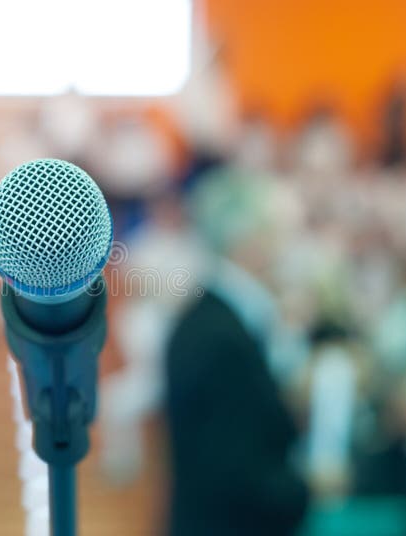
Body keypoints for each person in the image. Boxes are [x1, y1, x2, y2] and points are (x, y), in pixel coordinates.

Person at [164, 168, 309, 536]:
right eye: (273, 233)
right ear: (246, 240)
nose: (282, 247)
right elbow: (236, 469)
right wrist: (309, 490)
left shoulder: (215, 319)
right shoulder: (218, 336)